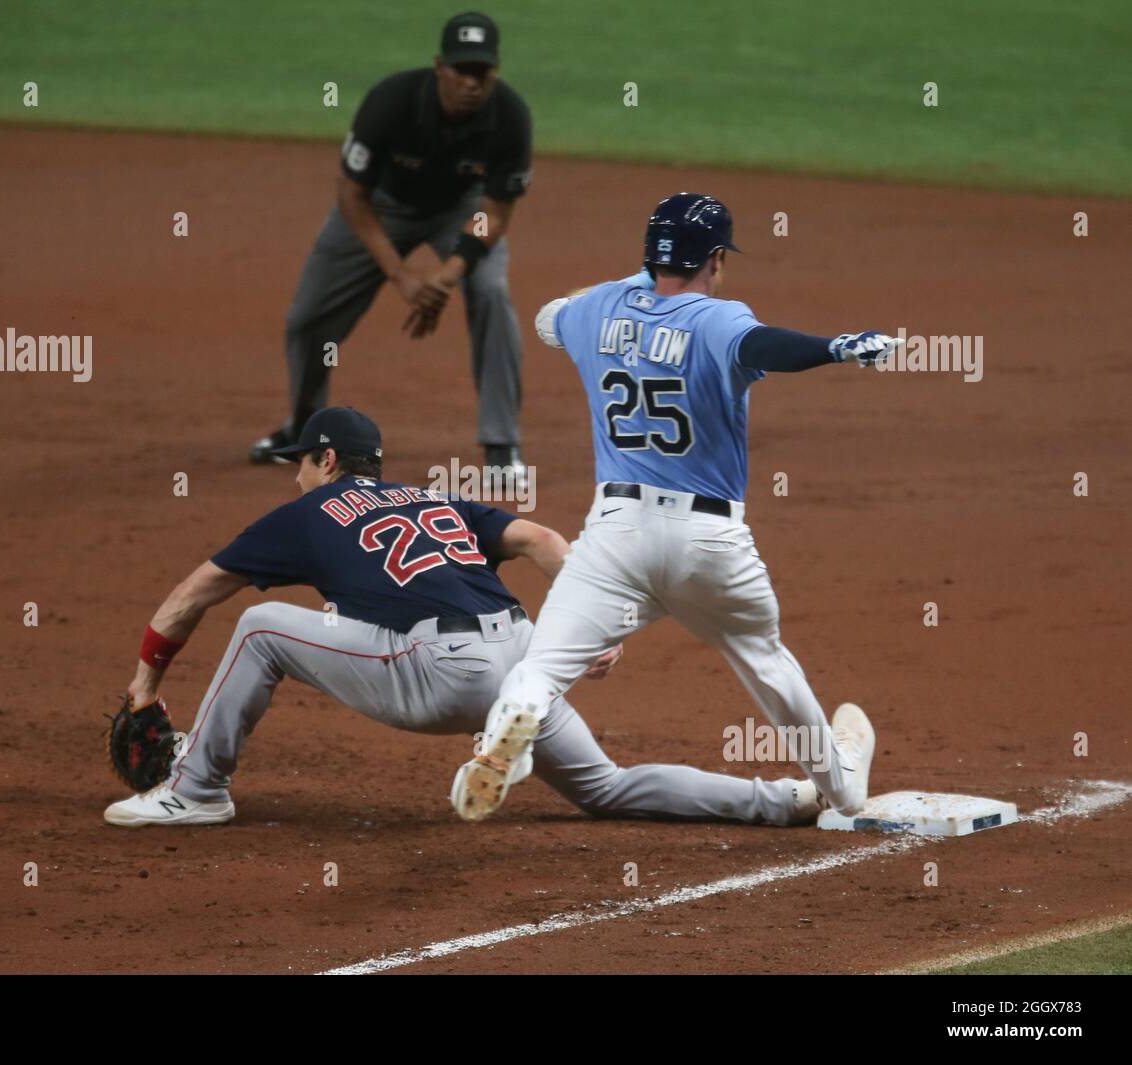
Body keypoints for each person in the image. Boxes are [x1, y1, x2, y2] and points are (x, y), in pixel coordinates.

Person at [104, 406, 820, 827]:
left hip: (443, 673)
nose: (297, 474)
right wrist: (589, 629)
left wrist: (143, 686)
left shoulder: (306, 511)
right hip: (528, 653)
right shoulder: (431, 497)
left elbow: (189, 597)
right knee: (604, 786)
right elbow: (540, 538)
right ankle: (789, 797)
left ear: (325, 459)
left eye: (302, 461)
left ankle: (197, 790)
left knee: (260, 627)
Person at [451, 192, 899, 823]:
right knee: (766, 662)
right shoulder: (717, 321)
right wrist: (839, 347)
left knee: (543, 667)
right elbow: (766, 346)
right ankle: (844, 786)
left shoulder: (593, 311)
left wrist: (631, 292)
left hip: (616, 537)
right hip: (707, 544)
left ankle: (511, 733)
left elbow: (551, 316)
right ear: (715, 259)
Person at [249, 12, 531, 487]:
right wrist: (401, 276)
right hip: (380, 206)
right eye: (461, 70)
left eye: (480, 73)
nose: (470, 83)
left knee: (490, 290)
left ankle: (502, 446)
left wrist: (451, 271)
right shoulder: (392, 102)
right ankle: (305, 426)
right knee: (308, 317)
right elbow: (351, 194)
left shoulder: (509, 115)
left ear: (495, 72)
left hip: (459, 212)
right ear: (439, 66)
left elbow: (494, 213)